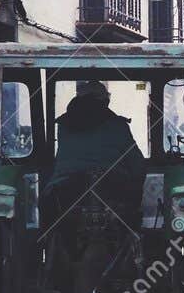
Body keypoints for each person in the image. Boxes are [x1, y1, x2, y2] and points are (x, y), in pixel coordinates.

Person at [45, 80, 146, 227]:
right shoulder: (118, 125)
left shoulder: (63, 126)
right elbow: (137, 165)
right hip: (113, 188)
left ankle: (41, 245)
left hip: (65, 189)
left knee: (50, 211)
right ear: (104, 100)